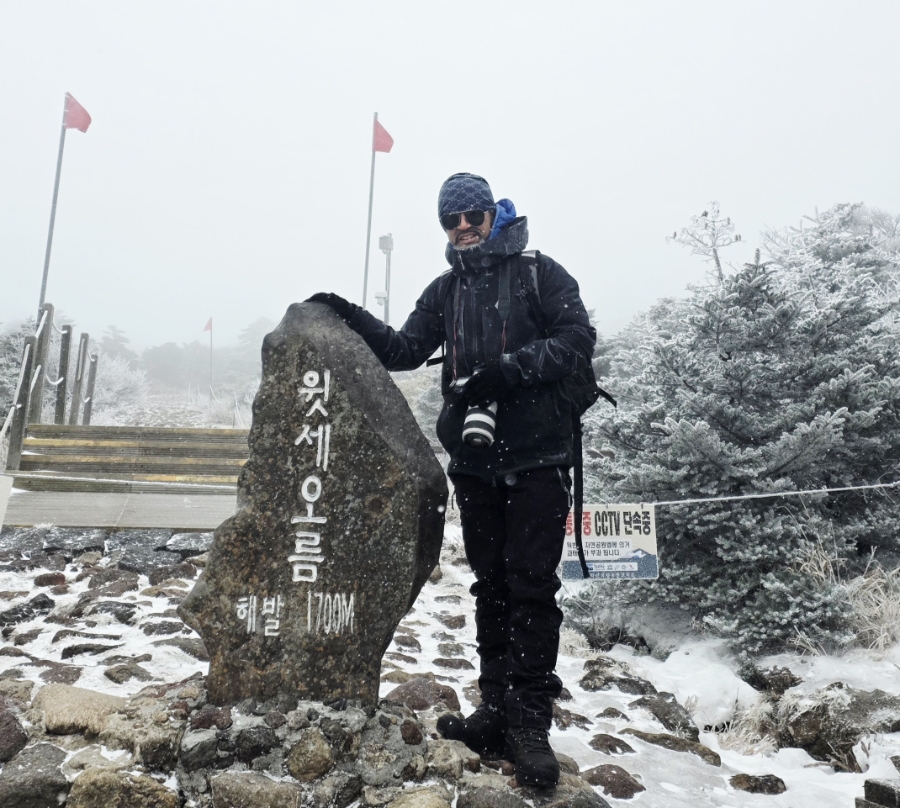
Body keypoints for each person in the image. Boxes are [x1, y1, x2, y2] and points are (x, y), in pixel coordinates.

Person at [308, 172, 596, 788]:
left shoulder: (540, 273)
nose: (462, 227)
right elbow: (405, 348)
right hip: (476, 460)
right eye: (450, 219)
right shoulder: (446, 289)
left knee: (532, 588)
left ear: (493, 214)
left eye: (472, 215)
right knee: (490, 586)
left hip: (542, 457)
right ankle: (494, 710)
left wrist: (506, 373)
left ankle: (529, 725)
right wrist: (347, 313)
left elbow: (577, 341)